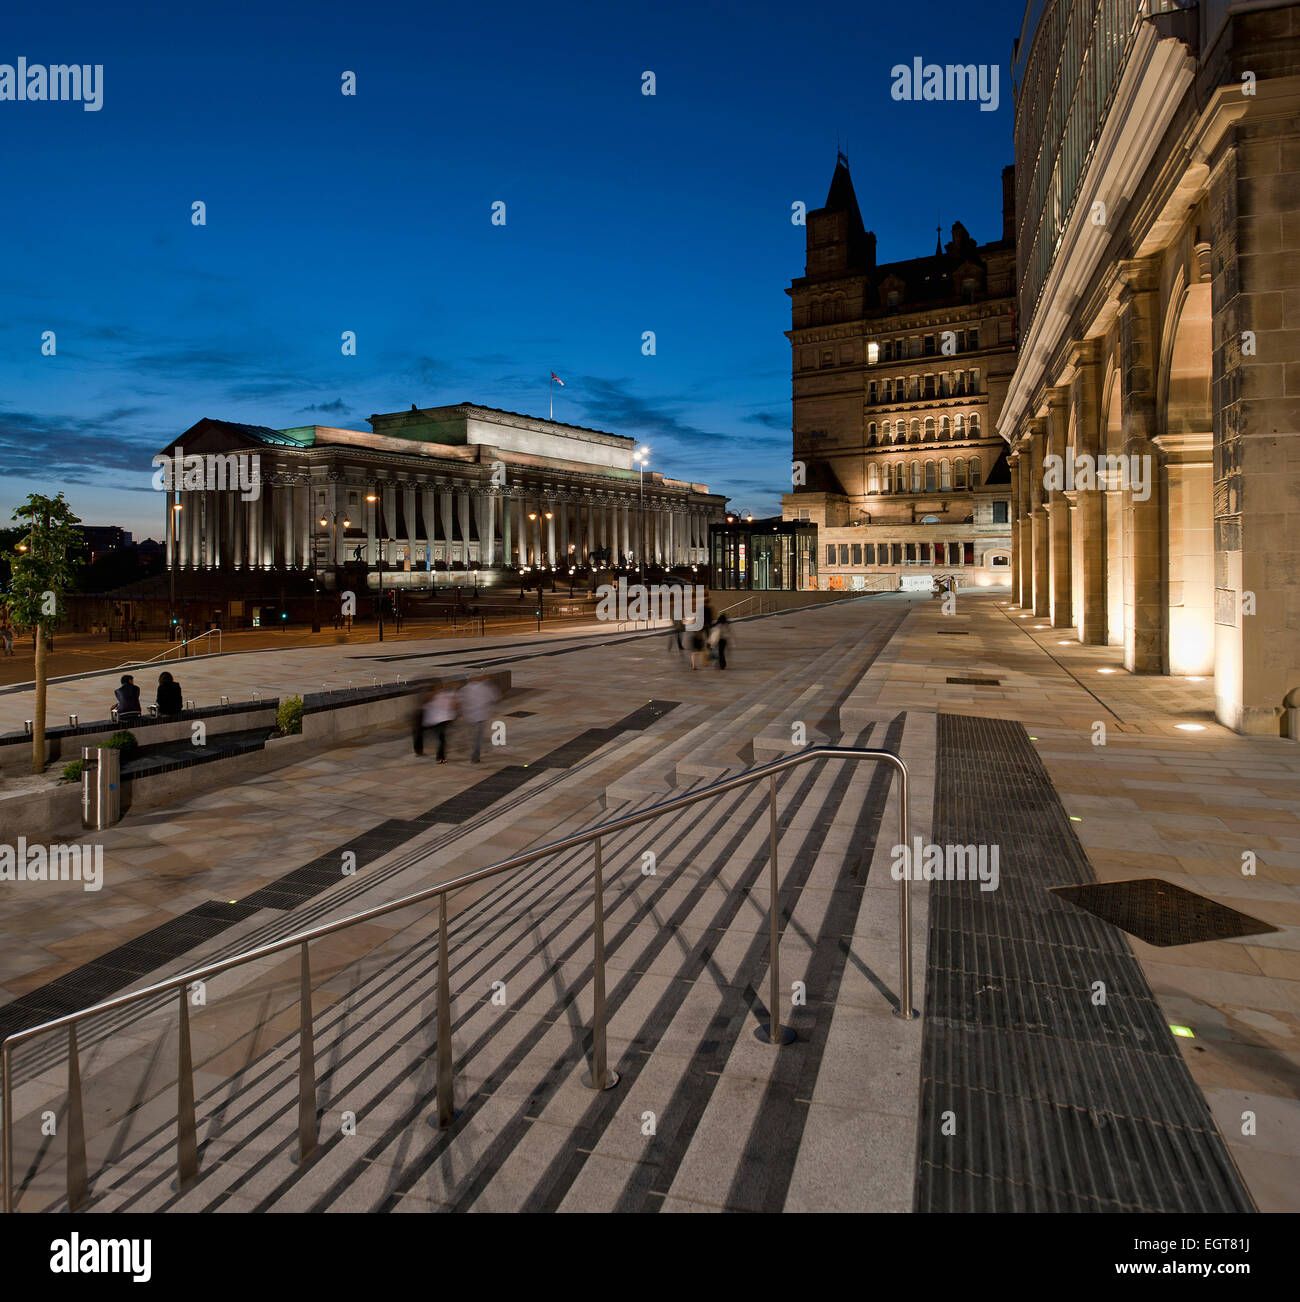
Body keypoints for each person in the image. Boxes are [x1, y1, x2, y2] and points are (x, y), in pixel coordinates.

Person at [458, 673, 499, 763]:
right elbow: (494, 698)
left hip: (470, 717)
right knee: (478, 737)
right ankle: (475, 757)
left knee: (474, 736)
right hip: (481, 716)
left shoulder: (464, 689)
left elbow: (460, 703)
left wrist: (463, 713)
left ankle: (475, 753)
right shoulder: (485, 687)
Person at [423, 683, 459, 763]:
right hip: (436, 721)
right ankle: (440, 757)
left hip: (443, 720)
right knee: (441, 739)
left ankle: (440, 757)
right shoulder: (432, 695)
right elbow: (427, 707)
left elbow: (454, 705)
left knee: (441, 739)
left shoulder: (444, 694)